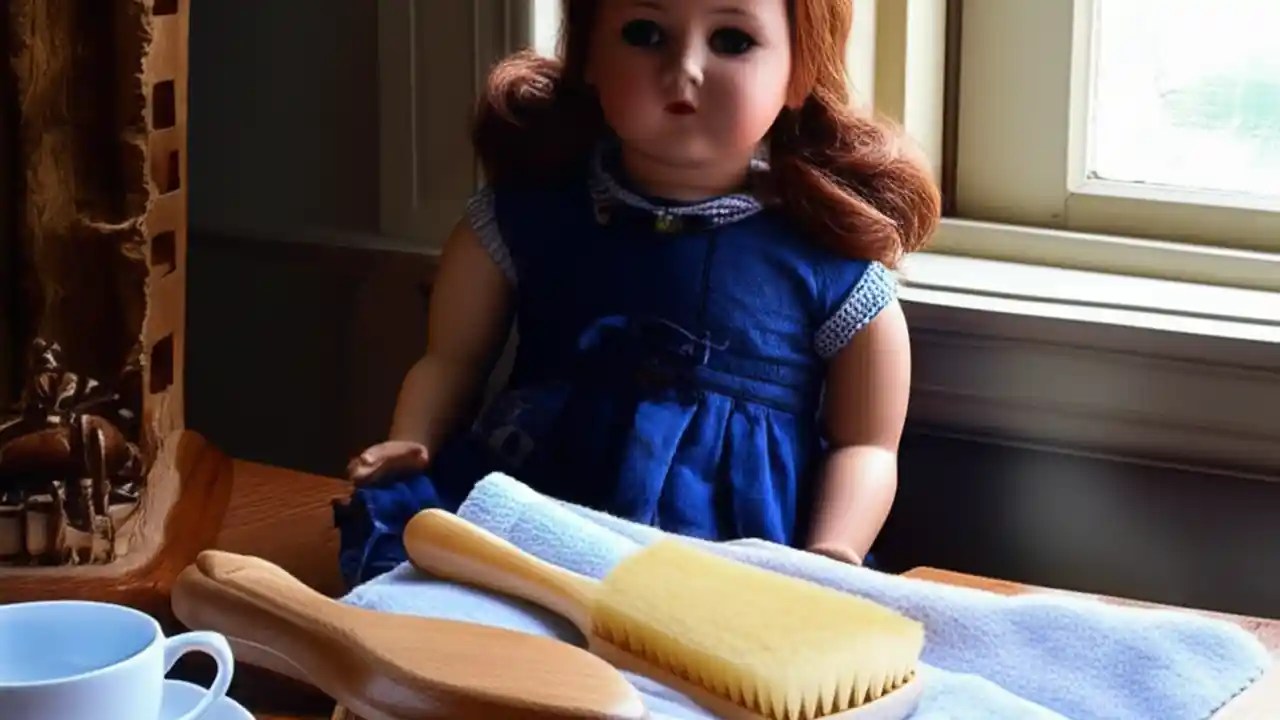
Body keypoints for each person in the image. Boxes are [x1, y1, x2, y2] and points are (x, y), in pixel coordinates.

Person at [333, 0, 941, 589]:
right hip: (536, 523)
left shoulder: (828, 264)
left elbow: (867, 445)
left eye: (732, 41)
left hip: (727, 555)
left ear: (799, 71)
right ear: (589, 55)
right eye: (645, 33)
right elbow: (451, 361)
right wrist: (412, 437)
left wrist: (834, 550)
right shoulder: (529, 219)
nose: (685, 69)